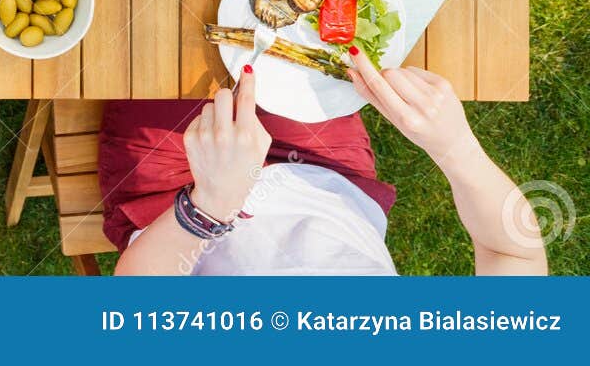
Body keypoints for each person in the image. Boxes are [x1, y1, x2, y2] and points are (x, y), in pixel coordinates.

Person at [99, 51, 548, 274]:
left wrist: (210, 207)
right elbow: (515, 252)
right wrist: (456, 146)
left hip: (176, 207)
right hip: (323, 171)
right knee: (283, 12)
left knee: (156, 44)